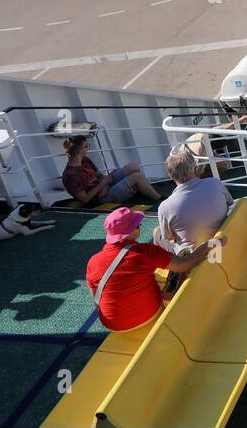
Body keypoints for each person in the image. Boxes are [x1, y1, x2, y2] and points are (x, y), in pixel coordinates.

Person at [85, 207, 222, 333]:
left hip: (112, 325)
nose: (140, 227)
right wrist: (208, 245)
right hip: (149, 316)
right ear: (129, 234)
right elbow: (185, 264)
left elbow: (96, 299)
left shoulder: (93, 261)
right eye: (137, 225)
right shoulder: (145, 251)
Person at [154, 147, 232, 254]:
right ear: (195, 169)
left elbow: (169, 237)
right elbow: (229, 203)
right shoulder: (215, 183)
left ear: (171, 176)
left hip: (194, 256)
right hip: (225, 241)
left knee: (157, 232)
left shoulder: (165, 207)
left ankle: (162, 266)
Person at [60, 136, 159, 208]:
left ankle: (139, 191)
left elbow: (99, 175)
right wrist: (103, 185)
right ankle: (159, 199)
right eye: (86, 146)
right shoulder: (70, 176)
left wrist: (105, 185)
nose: (87, 147)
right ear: (79, 150)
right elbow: (85, 199)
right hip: (100, 199)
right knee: (136, 177)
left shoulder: (84, 160)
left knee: (133, 167)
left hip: (105, 186)